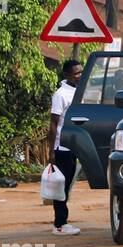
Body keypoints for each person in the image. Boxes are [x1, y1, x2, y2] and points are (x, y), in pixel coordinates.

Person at [47, 60, 84, 236]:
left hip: (73, 146)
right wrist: (52, 151)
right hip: (61, 148)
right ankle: (60, 223)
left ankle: (62, 220)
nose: (80, 75)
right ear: (67, 75)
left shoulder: (79, 92)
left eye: (81, 72)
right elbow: (53, 123)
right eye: (76, 73)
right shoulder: (60, 95)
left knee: (67, 185)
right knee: (60, 186)